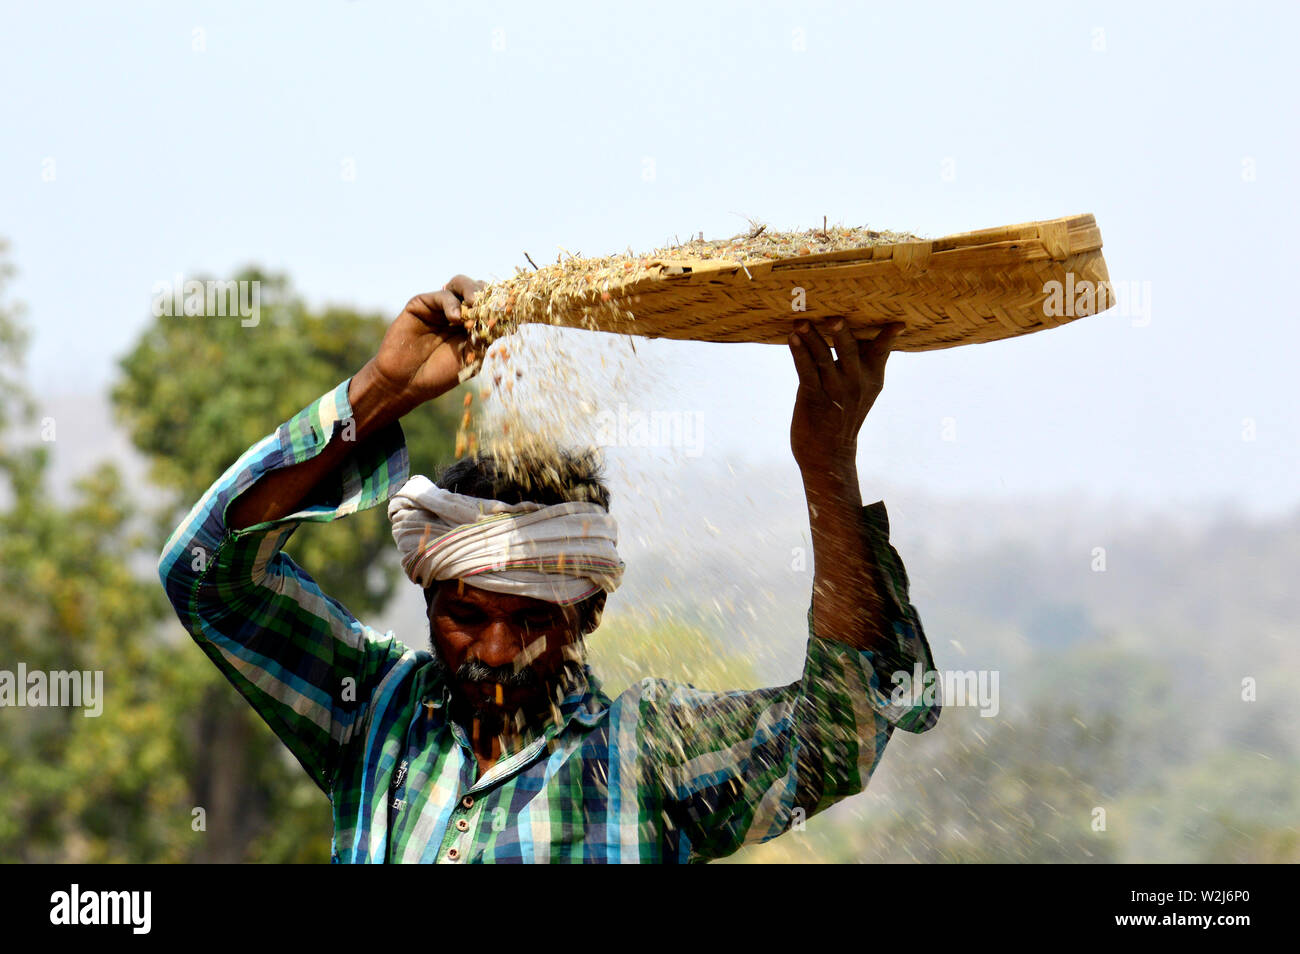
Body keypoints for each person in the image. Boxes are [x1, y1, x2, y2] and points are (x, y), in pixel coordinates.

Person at [158, 274, 941, 863]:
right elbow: (204, 577)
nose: (497, 652)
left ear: (589, 612)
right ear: (426, 598)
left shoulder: (647, 754)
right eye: (466, 616)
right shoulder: (375, 719)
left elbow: (839, 736)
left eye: (533, 620)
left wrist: (827, 463)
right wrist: (383, 392)